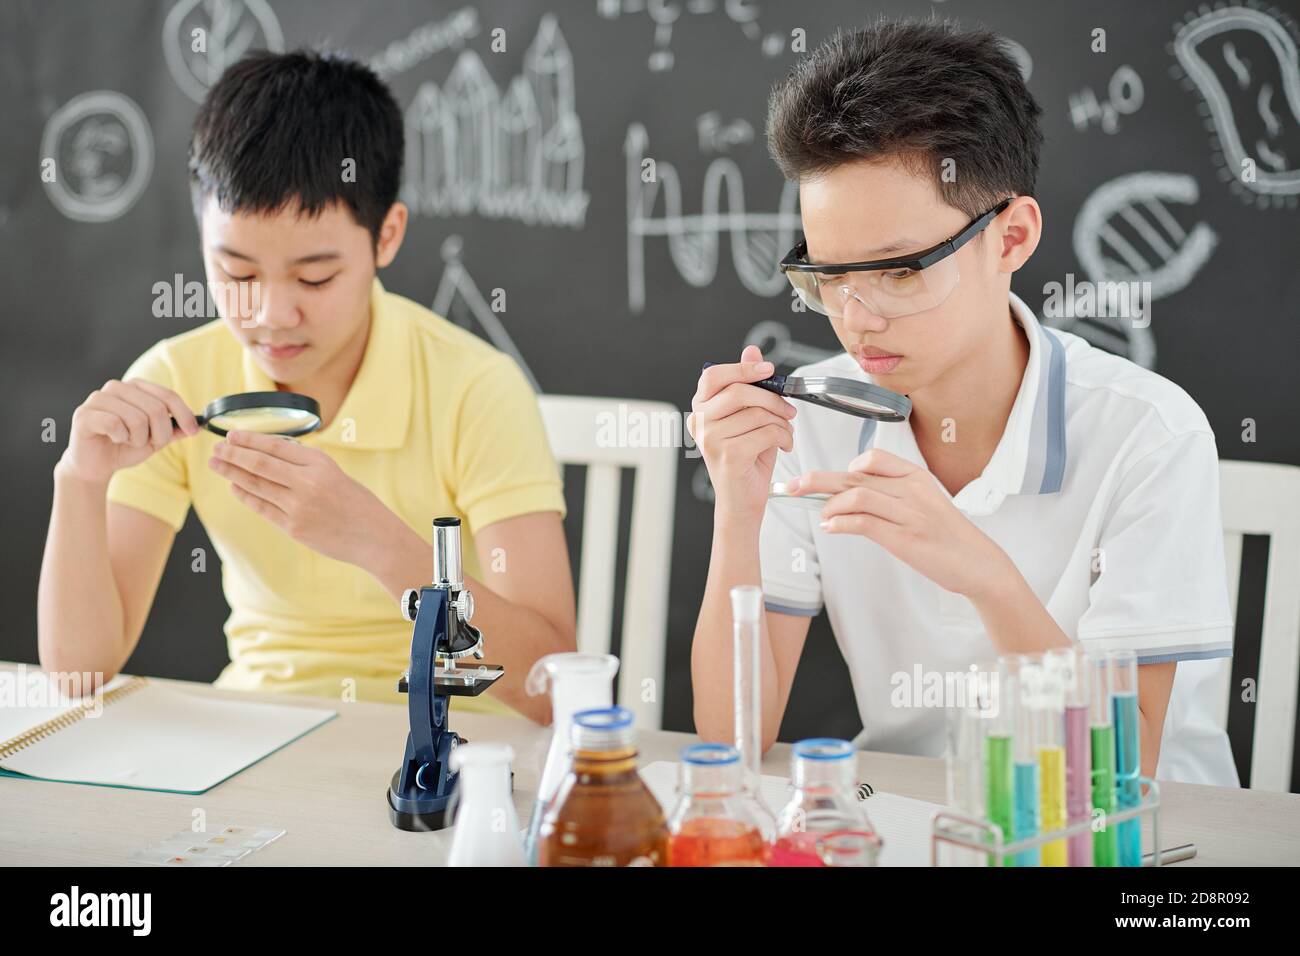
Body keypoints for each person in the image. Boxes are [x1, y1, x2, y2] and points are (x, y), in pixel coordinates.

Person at [688, 20, 1237, 786]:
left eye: (901, 271)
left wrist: (986, 576)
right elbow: (731, 738)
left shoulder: (1147, 433)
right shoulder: (814, 418)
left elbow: (1123, 765)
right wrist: (738, 513)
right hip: (920, 820)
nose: (858, 316)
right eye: (830, 275)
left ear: (1011, 238)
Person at [38, 51, 575, 722]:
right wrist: (79, 481)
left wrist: (379, 544)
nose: (270, 315)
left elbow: (550, 685)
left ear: (387, 235)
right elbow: (79, 672)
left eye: (314, 277)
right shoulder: (178, 381)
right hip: (261, 733)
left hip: (451, 743)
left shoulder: (476, 389)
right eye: (236, 273)